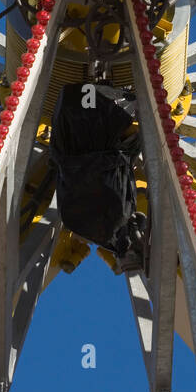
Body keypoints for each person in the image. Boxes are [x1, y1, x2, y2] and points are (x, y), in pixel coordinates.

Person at [49, 81, 146, 273]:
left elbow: (89, 170)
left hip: (88, 126)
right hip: (75, 123)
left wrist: (123, 156)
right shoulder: (82, 223)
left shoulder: (116, 215)